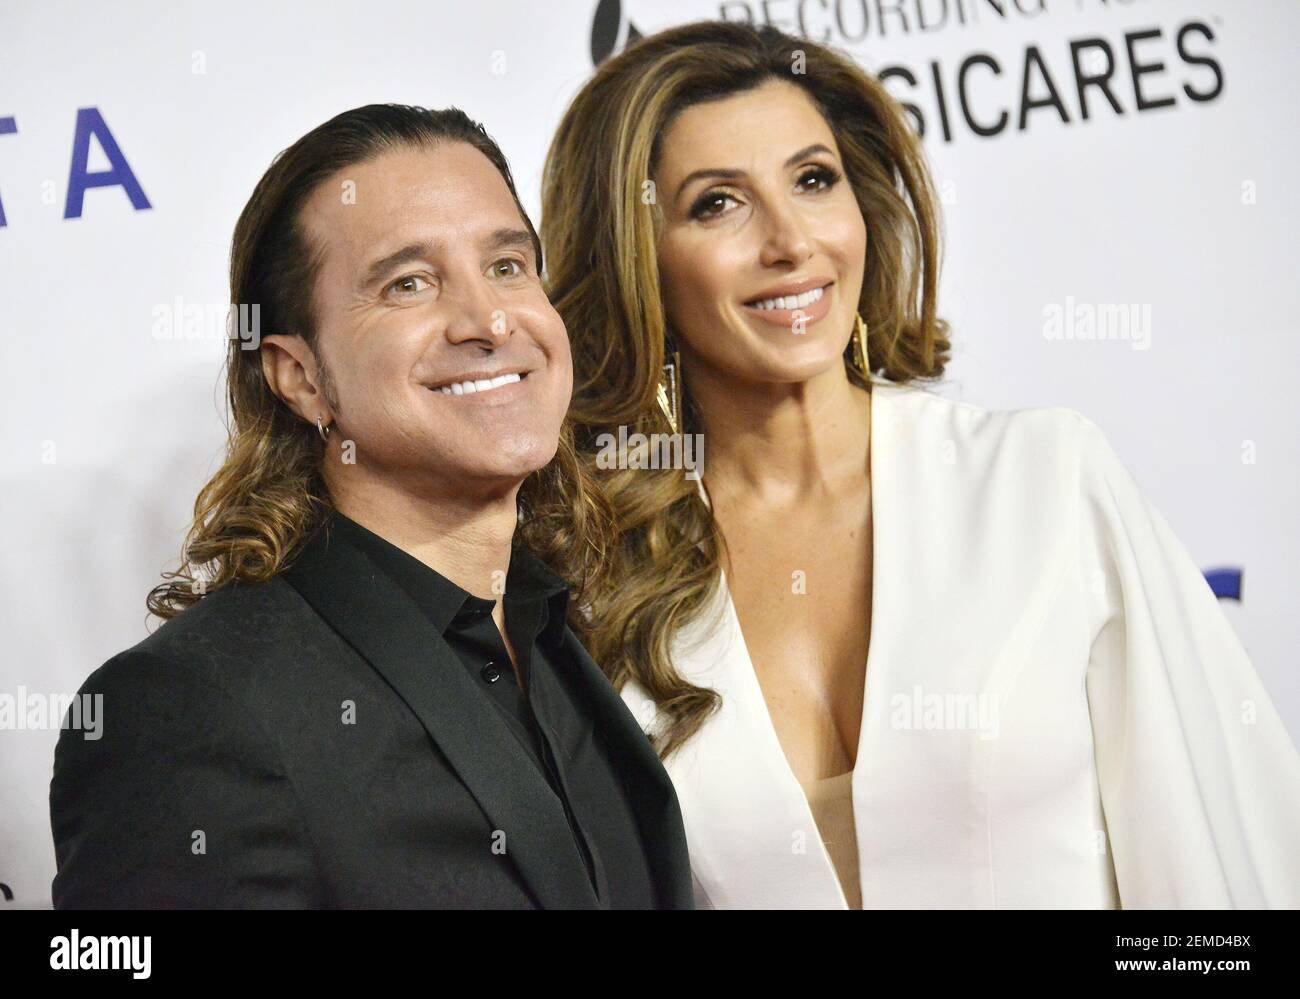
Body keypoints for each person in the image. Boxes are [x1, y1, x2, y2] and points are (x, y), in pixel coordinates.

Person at [536, 21, 1300, 908]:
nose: (791, 241)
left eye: (813, 180)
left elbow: (1227, 888)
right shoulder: (596, 575)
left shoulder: (1044, 482)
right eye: (718, 203)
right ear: (638, 261)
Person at [49, 104, 693, 909]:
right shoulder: (192, 711)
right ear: (300, 376)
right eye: (409, 284)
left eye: (507, 265)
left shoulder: (560, 633)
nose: (489, 321)